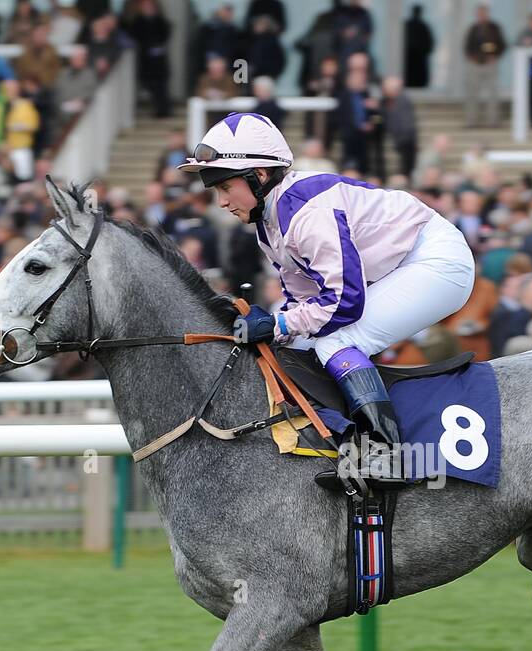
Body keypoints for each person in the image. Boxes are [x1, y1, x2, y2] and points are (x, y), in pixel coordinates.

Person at [179, 113, 475, 486]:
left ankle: (384, 454)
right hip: (400, 262)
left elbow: (344, 302)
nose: (220, 201)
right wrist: (273, 325)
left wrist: (277, 323)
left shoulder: (307, 212)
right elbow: (302, 301)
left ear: (261, 175)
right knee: (304, 340)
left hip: (436, 260)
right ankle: (338, 438)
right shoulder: (268, 226)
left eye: (225, 187)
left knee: (338, 338)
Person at [463, 4, 506, 130]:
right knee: (472, 93)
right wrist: (472, 57)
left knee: (492, 93)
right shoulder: (473, 29)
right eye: (479, 14)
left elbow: (502, 45)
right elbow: (467, 46)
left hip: (490, 64)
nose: (481, 16)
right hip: (475, 65)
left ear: (487, 14)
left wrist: (495, 56)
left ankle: (493, 121)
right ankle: (471, 121)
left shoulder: (494, 28)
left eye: (483, 13)